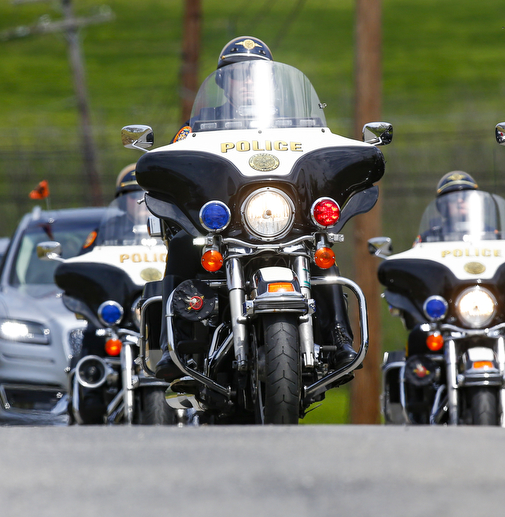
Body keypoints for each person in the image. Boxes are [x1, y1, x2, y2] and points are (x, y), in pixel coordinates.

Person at [153, 36, 359, 382]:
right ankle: (173, 344)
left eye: (254, 74)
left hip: (284, 223)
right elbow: (180, 169)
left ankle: (339, 335)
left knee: (321, 245)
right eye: (237, 75)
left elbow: (325, 155)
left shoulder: (303, 126)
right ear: (224, 83)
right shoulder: (197, 130)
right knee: (182, 245)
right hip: (225, 230)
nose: (247, 82)